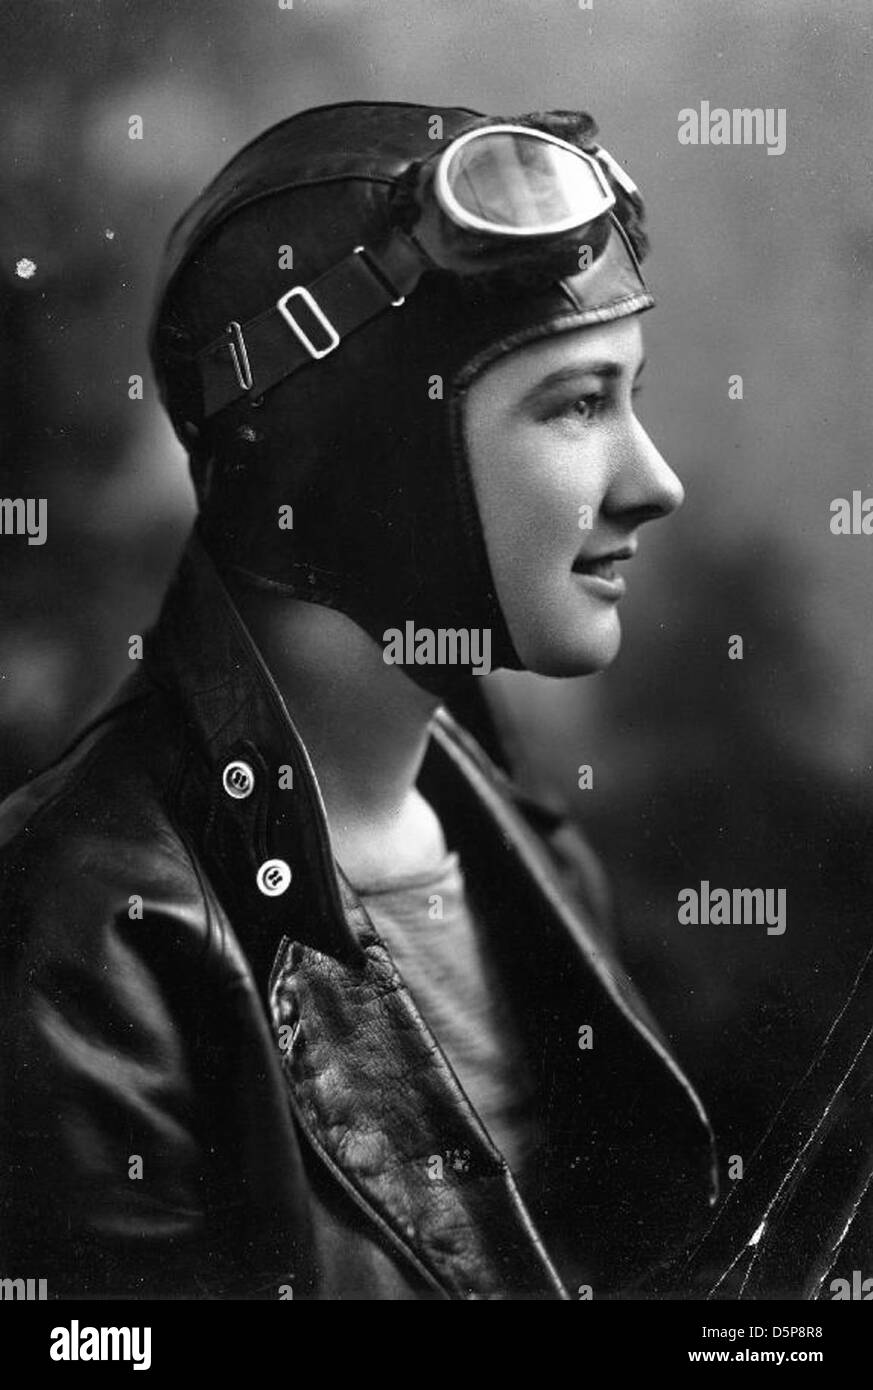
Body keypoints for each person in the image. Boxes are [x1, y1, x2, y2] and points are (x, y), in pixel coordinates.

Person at [0, 101, 719, 1301]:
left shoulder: (521, 837)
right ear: (360, 452)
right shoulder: (73, 952)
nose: (657, 482)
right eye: (578, 405)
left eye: (627, 395)